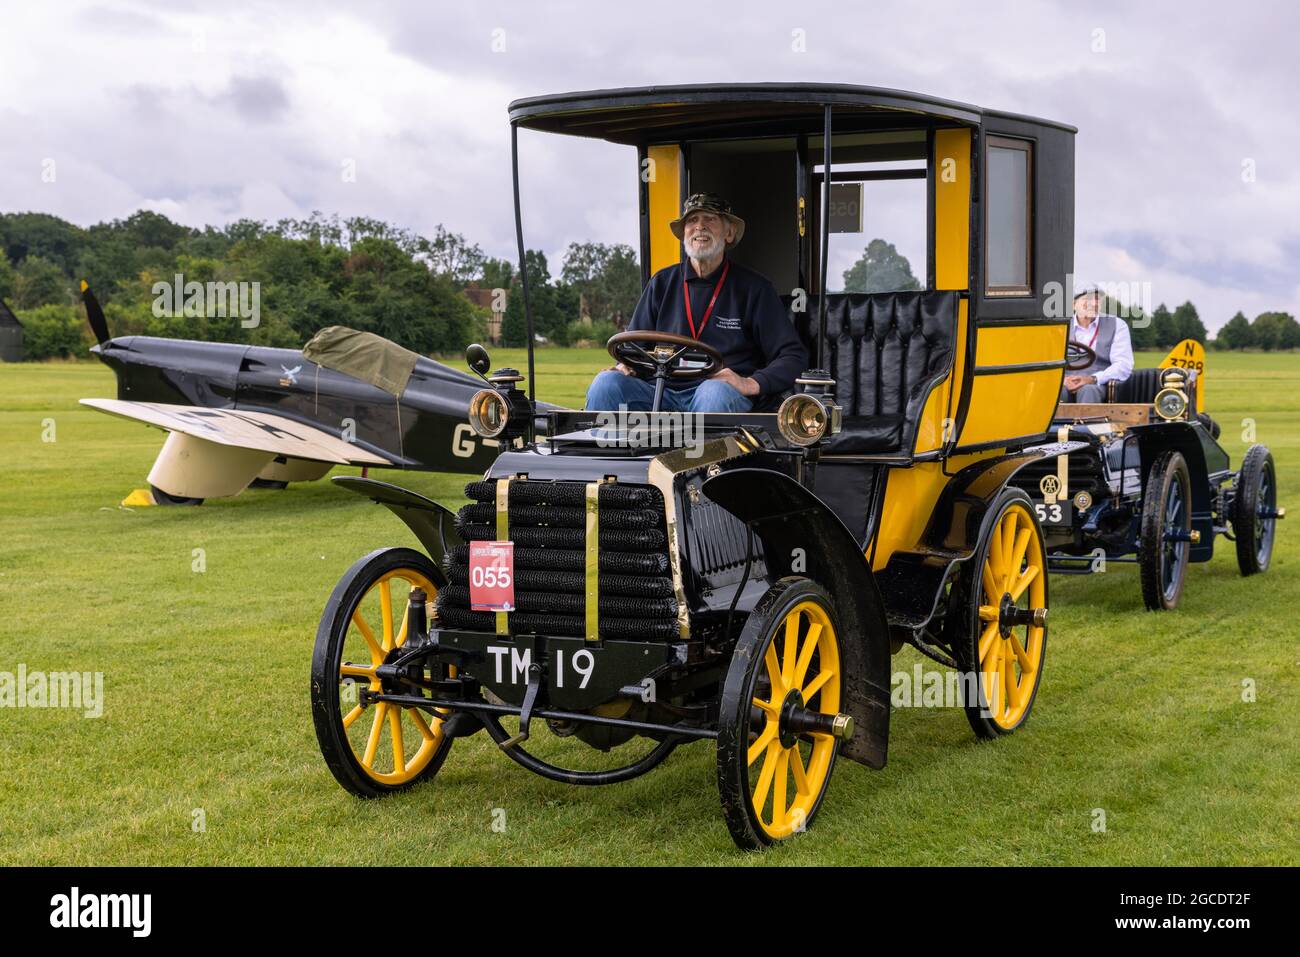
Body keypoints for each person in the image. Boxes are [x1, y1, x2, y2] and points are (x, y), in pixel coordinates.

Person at [585, 192, 806, 413]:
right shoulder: (661, 283)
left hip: (717, 393)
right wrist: (625, 366)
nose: (700, 226)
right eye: (692, 220)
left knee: (713, 393)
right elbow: (634, 348)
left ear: (729, 233)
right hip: (659, 391)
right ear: (683, 235)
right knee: (605, 384)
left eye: (710, 219)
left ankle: (698, 449)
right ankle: (603, 447)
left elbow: (792, 356)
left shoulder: (755, 288)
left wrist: (749, 383)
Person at [1060, 283, 1133, 403]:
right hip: (1063, 381)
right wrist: (1062, 380)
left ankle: (1085, 422)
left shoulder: (1117, 325)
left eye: (1097, 298)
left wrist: (1093, 378)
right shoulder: (1060, 326)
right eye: (1087, 299)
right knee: (1057, 392)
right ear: (1074, 304)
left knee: (1088, 390)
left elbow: (1123, 364)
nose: (1094, 303)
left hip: (1097, 383)